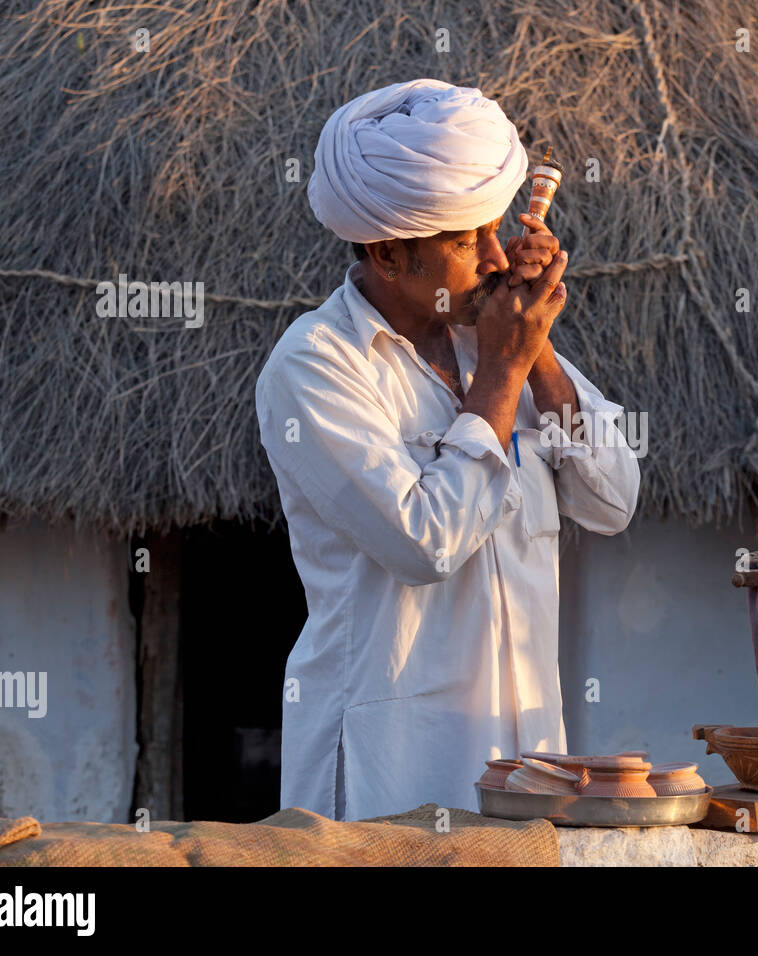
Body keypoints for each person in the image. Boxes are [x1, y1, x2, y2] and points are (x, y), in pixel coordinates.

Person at [255, 79, 641, 819]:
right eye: (468, 241)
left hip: (530, 768)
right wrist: (502, 373)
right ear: (389, 254)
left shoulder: (496, 336)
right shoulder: (316, 367)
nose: (498, 258)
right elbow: (427, 542)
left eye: (497, 230)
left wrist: (539, 355)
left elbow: (613, 501)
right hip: (392, 777)